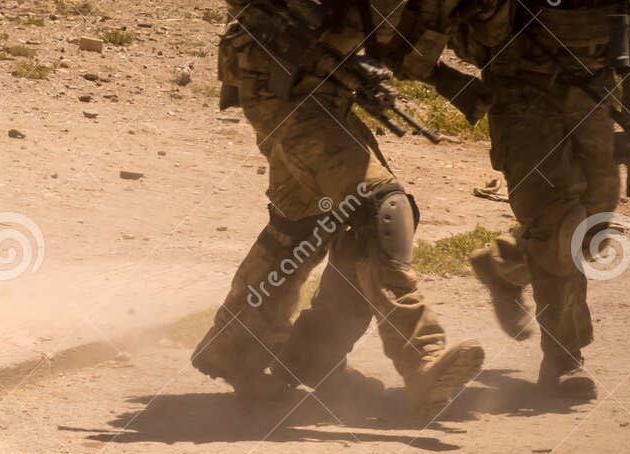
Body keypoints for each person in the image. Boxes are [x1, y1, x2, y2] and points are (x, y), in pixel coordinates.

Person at [194, 0, 487, 421]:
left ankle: (241, 349)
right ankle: (422, 359)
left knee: (302, 225)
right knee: (380, 209)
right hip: (282, 87)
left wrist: (434, 77)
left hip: (314, 92)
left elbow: (393, 36)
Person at [466, 0, 630, 401]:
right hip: (525, 94)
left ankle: (504, 265)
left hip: (591, 90)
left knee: (596, 225)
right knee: (559, 225)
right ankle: (564, 358)